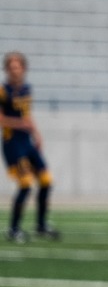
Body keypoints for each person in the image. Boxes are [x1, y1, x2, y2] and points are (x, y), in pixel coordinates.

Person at [1, 52, 56, 242]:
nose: (14, 70)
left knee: (46, 181)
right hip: (12, 144)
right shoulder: (3, 90)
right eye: (11, 67)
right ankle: (13, 229)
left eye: (17, 66)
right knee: (25, 184)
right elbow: (1, 119)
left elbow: (27, 117)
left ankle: (41, 225)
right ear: (7, 69)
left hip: (27, 141)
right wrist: (20, 124)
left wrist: (36, 134)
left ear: (23, 68)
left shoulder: (26, 89)